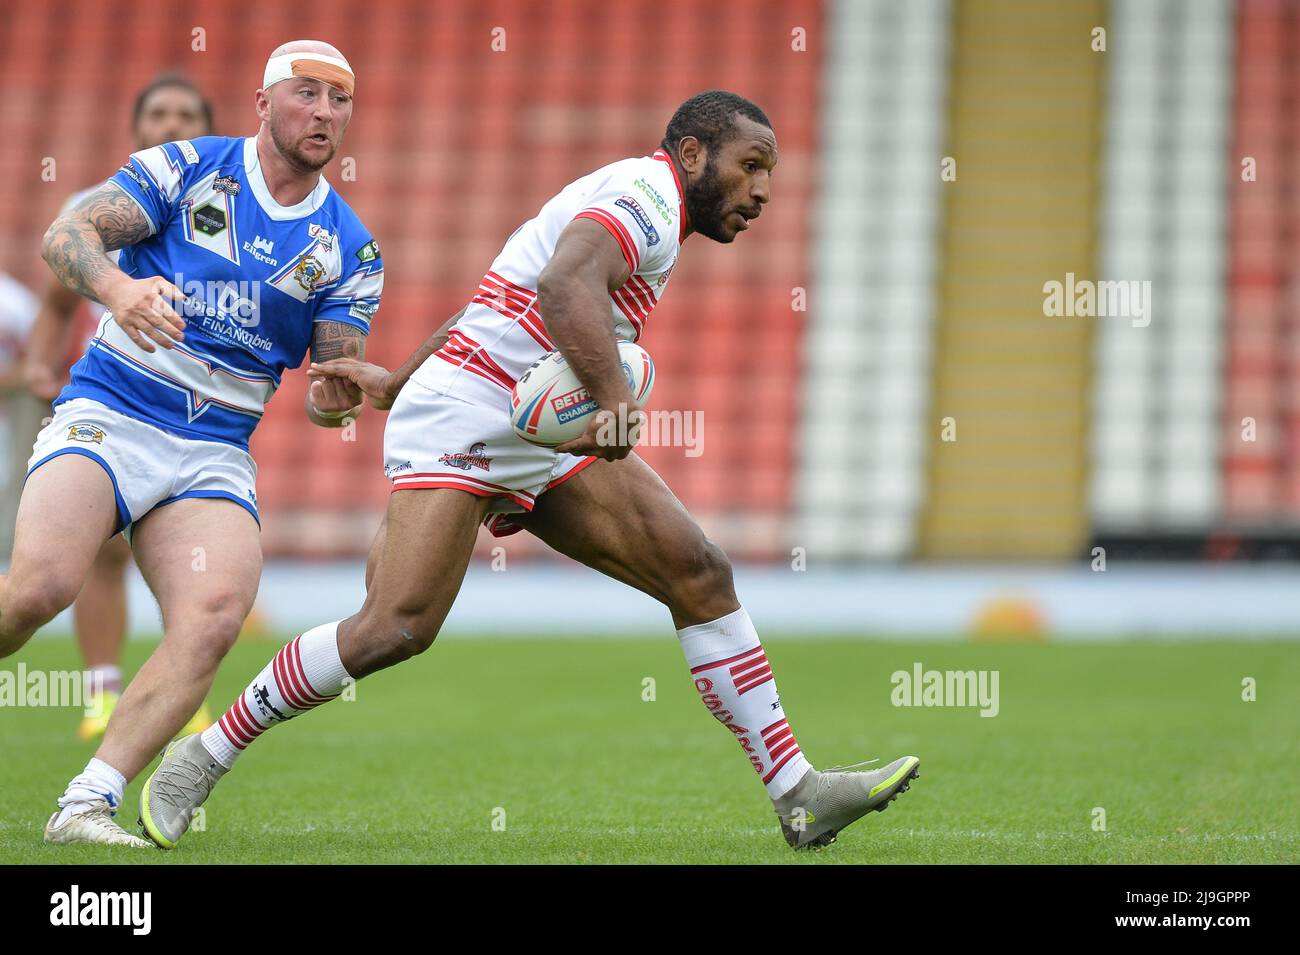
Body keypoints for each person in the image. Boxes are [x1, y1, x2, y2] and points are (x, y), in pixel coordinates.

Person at [143, 90, 920, 853]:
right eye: (751, 166)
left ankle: (797, 792)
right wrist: (613, 397)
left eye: (770, 175)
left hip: (520, 419)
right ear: (692, 153)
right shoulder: (645, 195)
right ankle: (204, 755)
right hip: (466, 417)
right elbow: (560, 287)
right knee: (395, 628)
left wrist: (393, 380)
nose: (762, 192)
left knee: (699, 571)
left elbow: (490, 302)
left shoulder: (645, 208)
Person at [2, 40, 384, 848]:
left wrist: (337, 395)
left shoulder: (350, 249)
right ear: (263, 101)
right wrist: (120, 287)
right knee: (38, 589)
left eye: (339, 101)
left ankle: (85, 804)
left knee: (213, 614)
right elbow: (66, 236)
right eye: (306, 94)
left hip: (213, 446)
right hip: (113, 406)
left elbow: (329, 384)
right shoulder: (186, 166)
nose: (323, 113)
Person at [22, 73, 218, 741]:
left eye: (185, 114)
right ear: (136, 130)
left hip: (197, 415)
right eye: (157, 113)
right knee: (98, 555)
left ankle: (175, 692)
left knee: (181, 552)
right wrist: (43, 369)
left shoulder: (232, 210)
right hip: (108, 396)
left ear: (210, 130)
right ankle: (103, 693)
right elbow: (54, 301)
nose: (170, 124)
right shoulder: (98, 206)